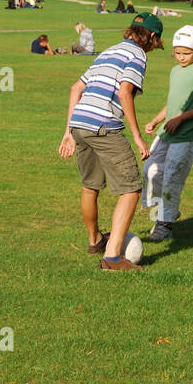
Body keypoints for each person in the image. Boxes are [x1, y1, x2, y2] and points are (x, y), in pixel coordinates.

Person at [57, 14, 165, 271]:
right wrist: (137, 136)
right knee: (131, 188)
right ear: (151, 37)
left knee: (90, 185)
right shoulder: (138, 55)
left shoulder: (108, 51)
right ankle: (113, 257)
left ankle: (95, 241)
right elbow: (124, 91)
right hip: (103, 125)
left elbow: (75, 88)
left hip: (80, 123)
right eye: (155, 42)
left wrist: (68, 132)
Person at [142, 25, 193, 243]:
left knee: (172, 176)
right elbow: (172, 103)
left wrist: (181, 118)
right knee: (149, 168)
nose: (181, 57)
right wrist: (156, 120)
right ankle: (167, 211)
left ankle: (164, 225)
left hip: (187, 135)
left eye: (187, 53)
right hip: (167, 132)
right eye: (177, 52)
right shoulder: (175, 71)